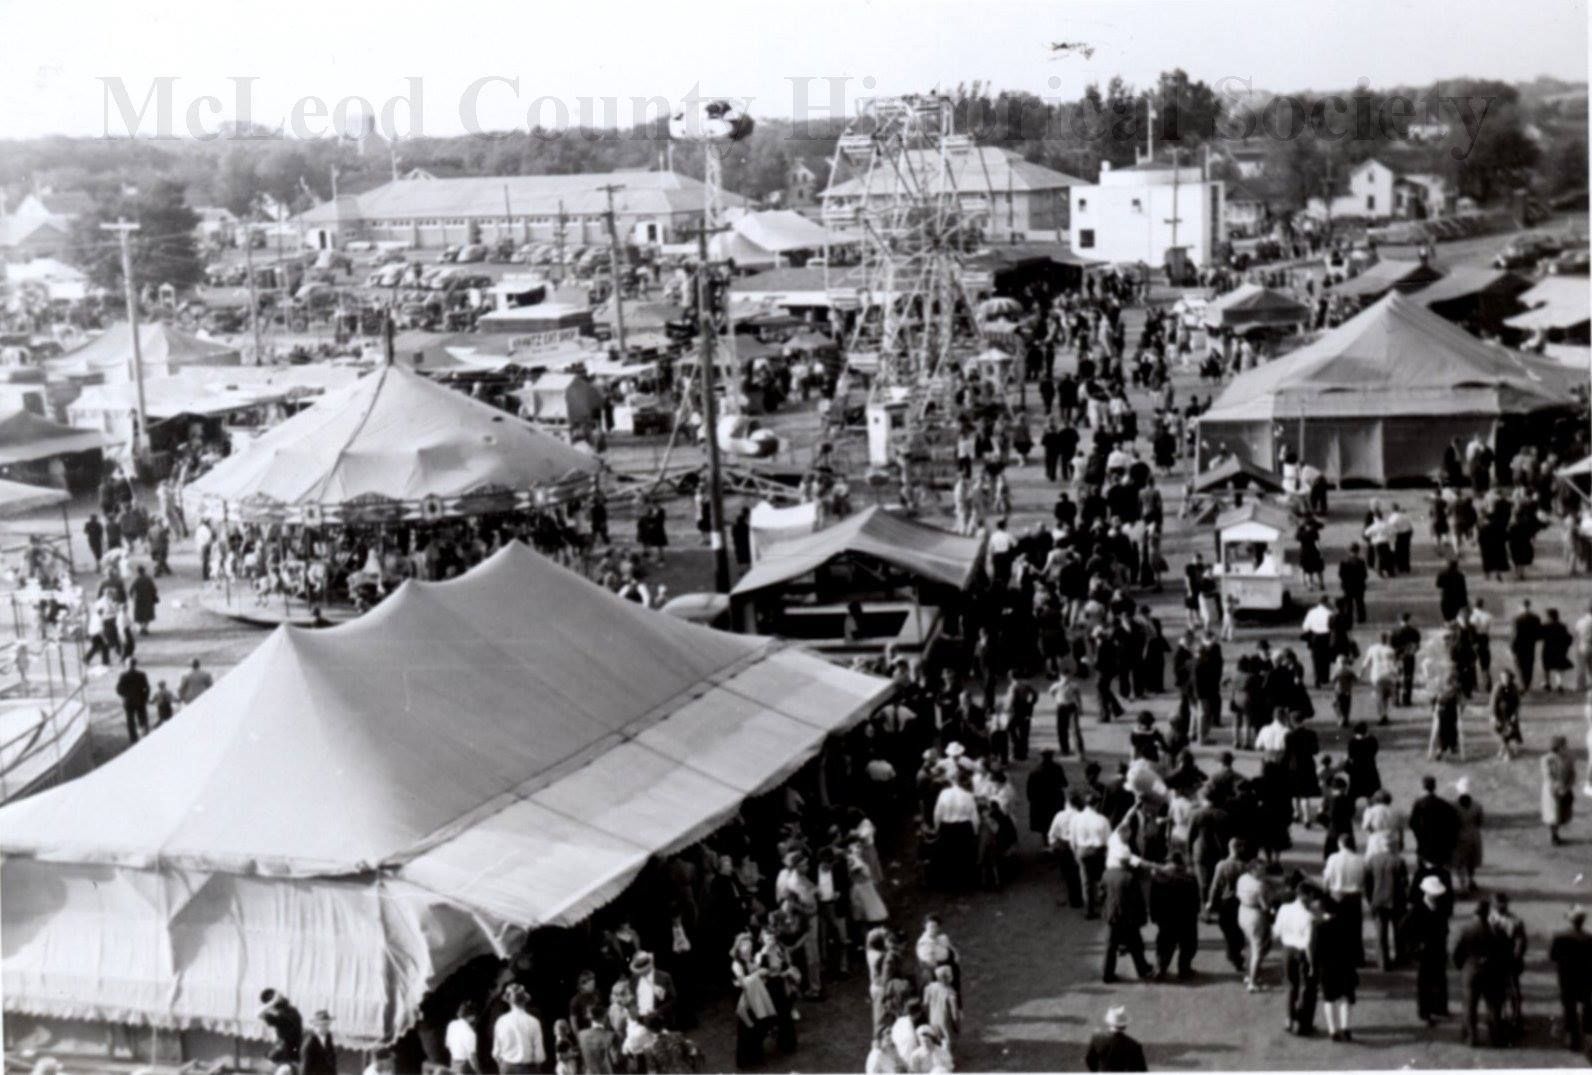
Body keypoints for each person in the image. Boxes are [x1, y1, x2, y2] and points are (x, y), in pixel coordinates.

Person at [1452, 899, 1504, 1047]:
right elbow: (1502, 952)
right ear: (1487, 913)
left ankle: (1471, 1038)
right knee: (1493, 1006)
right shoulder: (1495, 930)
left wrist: (1462, 966)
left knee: (1470, 1006)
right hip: (1491, 971)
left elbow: (1456, 953)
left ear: (1474, 913)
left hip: (1471, 970)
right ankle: (1495, 1037)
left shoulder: (1466, 929)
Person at [1403, 875, 1452, 1026]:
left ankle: (1439, 1007)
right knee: (1425, 983)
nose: (1436, 896)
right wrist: (1415, 946)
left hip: (1439, 949)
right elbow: (1404, 929)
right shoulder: (1417, 910)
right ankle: (1425, 1012)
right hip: (1424, 953)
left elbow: (1445, 927)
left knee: (1440, 979)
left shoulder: (1440, 906)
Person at [1101, 845, 1154, 983]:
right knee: (1136, 945)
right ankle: (1143, 970)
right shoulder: (1130, 877)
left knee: (1110, 946)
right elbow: (1138, 900)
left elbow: (1102, 894)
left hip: (1112, 915)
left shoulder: (1107, 874)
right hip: (1128, 917)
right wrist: (1142, 918)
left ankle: (1107, 974)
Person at [1314, 893, 1360, 1042]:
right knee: (1346, 998)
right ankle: (1345, 1028)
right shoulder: (1348, 925)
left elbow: (1317, 952)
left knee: (1329, 999)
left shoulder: (1320, 927)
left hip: (1327, 969)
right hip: (1346, 967)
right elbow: (1355, 949)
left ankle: (1333, 1030)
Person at [1149, 851, 1201, 980]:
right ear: (1181, 863)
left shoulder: (1158, 879)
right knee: (1187, 945)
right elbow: (1196, 899)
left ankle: (1160, 969)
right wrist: (1195, 914)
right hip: (1186, 918)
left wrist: (1154, 916)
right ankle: (1184, 970)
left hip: (1166, 918)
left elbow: (1152, 900)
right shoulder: (1190, 878)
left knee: (1164, 945)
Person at [1548, 905, 1592, 1052]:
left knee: (1569, 1007)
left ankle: (1571, 1036)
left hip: (1566, 977)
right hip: (1586, 977)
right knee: (1587, 1005)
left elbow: (1552, 956)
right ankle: (1587, 1035)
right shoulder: (1589, 938)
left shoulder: (1559, 937)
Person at [1365, 838, 1408, 971]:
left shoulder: (1372, 860)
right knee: (1398, 932)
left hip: (1378, 900)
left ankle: (1383, 962)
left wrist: (1370, 898)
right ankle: (1400, 958)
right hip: (1396, 900)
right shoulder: (1399, 861)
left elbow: (1367, 882)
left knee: (1381, 934)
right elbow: (1405, 883)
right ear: (1393, 846)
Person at [493, 985, 546, 1073]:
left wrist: (503, 1066)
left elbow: (496, 1053)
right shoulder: (533, 1022)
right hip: (528, 1068)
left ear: (509, 1002)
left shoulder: (501, 1021)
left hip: (507, 1067)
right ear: (525, 1001)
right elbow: (539, 1055)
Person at [1084, 1006, 1147, 1073]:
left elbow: (1089, 1059)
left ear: (1109, 1023)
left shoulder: (1097, 1038)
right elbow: (1142, 1069)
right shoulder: (1134, 1045)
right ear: (1125, 1025)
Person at [1542, 736, 1577, 846]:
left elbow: (1573, 773)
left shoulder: (1569, 758)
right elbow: (1548, 776)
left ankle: (1556, 834)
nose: (1567, 747)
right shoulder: (1547, 759)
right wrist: (1558, 787)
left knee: (1562, 813)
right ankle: (1553, 835)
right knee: (1553, 814)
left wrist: (1567, 787)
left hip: (1565, 788)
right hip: (1551, 790)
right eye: (1564, 745)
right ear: (1558, 747)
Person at [258, 989, 304, 1071]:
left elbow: (258, 1014)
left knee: (270, 1068)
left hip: (286, 1052)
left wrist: (272, 1002)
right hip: (292, 1051)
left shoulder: (284, 1015)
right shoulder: (292, 1011)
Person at [116, 657, 151, 743]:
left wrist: (125, 696)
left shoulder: (123, 676)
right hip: (140, 700)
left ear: (127, 665)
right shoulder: (141, 675)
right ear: (135, 665)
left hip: (129, 702)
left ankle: (133, 739)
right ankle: (144, 736)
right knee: (142, 719)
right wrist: (145, 698)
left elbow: (119, 689)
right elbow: (147, 688)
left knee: (130, 721)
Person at [1511, 599, 1542, 691]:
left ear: (1521, 606)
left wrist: (1512, 647)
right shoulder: (1536, 618)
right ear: (1529, 606)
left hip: (1519, 645)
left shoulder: (1517, 618)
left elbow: (1515, 634)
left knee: (1520, 665)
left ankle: (1523, 685)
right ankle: (1527, 684)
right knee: (1529, 665)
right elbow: (1539, 634)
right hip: (1530, 645)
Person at [300, 1010, 338, 1075]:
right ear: (315, 1026)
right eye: (323, 1024)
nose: (326, 1027)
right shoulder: (309, 1043)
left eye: (327, 1024)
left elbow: (333, 1065)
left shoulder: (329, 1041)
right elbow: (305, 1069)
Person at [128, 565, 158, 636]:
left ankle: (142, 627)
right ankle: (145, 628)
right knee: (147, 614)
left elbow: (131, 590)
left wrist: (132, 598)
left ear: (137, 572)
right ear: (144, 571)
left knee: (140, 614)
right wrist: (153, 596)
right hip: (148, 599)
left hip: (139, 600)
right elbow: (154, 589)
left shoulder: (136, 580)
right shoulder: (148, 579)